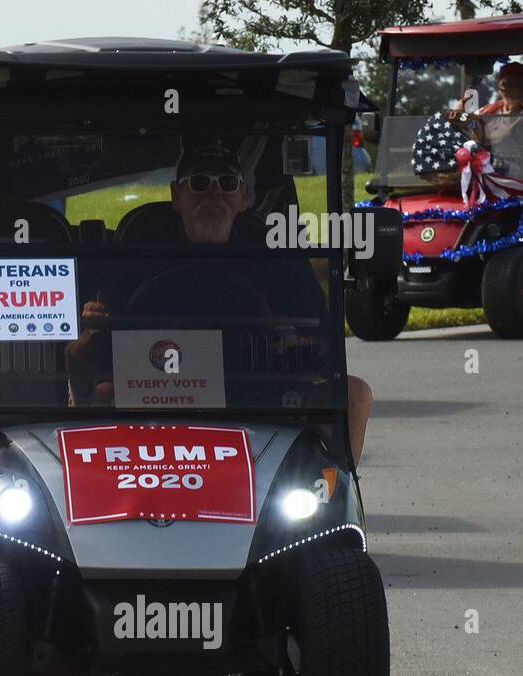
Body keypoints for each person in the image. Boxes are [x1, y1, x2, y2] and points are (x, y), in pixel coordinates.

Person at [67, 143, 374, 459]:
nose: (213, 192)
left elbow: (323, 341)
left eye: (226, 183)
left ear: (243, 197)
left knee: (355, 394)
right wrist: (91, 330)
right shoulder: (137, 256)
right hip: (154, 391)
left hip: (259, 393)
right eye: (199, 183)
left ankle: (324, 493)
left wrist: (289, 337)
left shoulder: (277, 257)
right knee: (103, 394)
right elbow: (89, 352)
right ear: (177, 196)